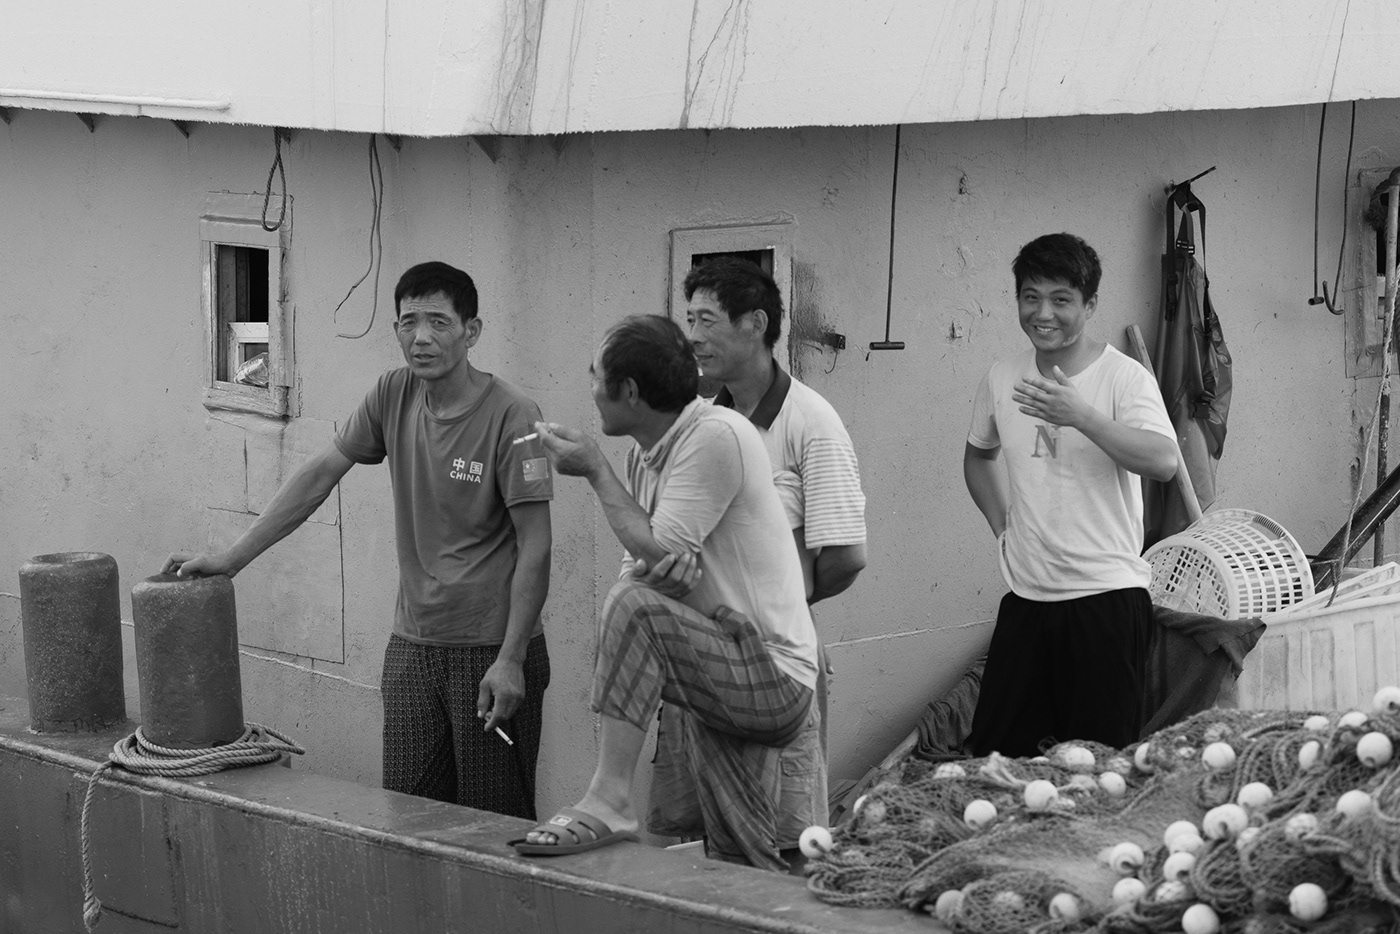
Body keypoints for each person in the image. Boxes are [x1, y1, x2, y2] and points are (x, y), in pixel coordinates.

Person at [164, 261, 553, 819]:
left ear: (472, 332)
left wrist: (512, 658)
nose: (421, 337)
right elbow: (319, 474)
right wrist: (232, 558)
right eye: (408, 321)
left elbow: (536, 546)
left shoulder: (514, 416)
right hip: (414, 649)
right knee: (409, 819)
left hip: (490, 652)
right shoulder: (393, 393)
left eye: (439, 322)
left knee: (492, 830)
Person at [514, 315, 818, 872]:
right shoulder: (648, 454)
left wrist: (596, 473)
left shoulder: (715, 434)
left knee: (631, 607)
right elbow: (646, 566)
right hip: (718, 658)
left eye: (595, 376)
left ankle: (610, 800)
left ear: (628, 391)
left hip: (769, 671)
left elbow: (651, 570)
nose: (590, 389)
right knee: (740, 857)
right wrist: (656, 567)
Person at [646, 256, 866, 867]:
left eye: (708, 320)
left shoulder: (810, 421)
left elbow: (847, 554)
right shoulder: (696, 421)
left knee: (784, 839)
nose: (693, 336)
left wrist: (771, 604)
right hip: (696, 657)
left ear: (756, 324)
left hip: (777, 661)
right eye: (688, 318)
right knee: (689, 836)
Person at [963, 233, 1177, 758]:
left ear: (1089, 305)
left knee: (1099, 768)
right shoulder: (1002, 376)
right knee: (998, 760)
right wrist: (1003, 527)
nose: (1043, 313)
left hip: (1105, 600)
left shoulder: (1123, 379)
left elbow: (1164, 461)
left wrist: (1079, 414)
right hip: (1027, 598)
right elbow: (977, 457)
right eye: (1030, 297)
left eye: (1061, 299)